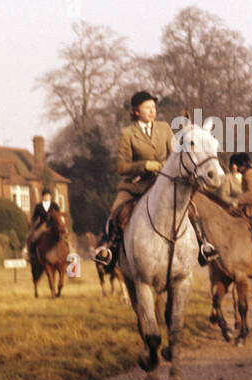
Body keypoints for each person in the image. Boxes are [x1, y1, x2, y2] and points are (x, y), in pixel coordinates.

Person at [93, 91, 217, 270]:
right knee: (117, 212)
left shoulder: (164, 128)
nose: (152, 111)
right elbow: (121, 167)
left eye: (154, 107)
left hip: (162, 183)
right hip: (135, 185)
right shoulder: (127, 133)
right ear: (136, 111)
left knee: (190, 209)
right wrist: (145, 165)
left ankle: (203, 244)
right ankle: (109, 250)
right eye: (147, 107)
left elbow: (175, 154)